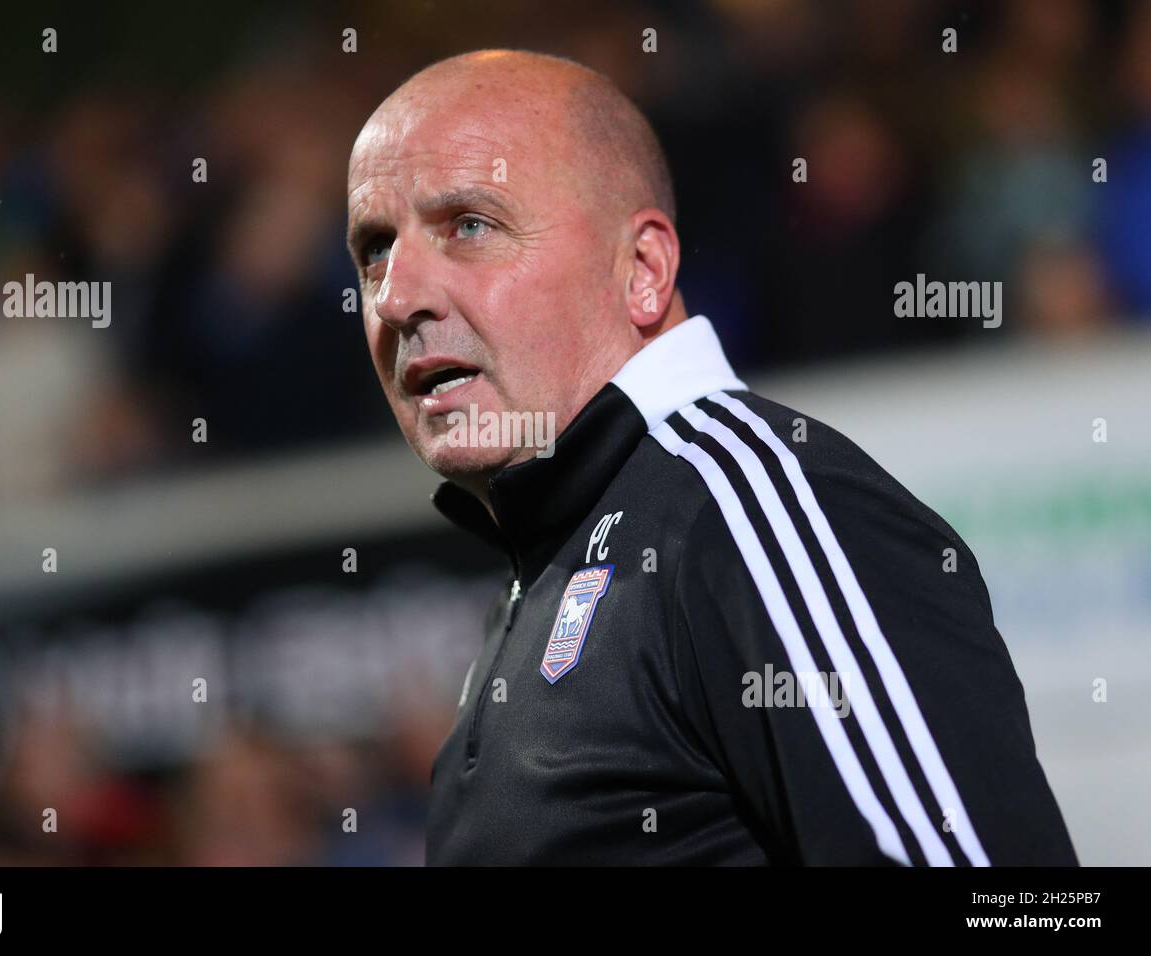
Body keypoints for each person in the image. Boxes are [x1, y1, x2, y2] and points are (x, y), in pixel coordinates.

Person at [345, 49, 1078, 865]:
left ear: (646, 271)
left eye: (471, 225)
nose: (395, 295)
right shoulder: (552, 560)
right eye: (375, 246)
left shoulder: (753, 510)